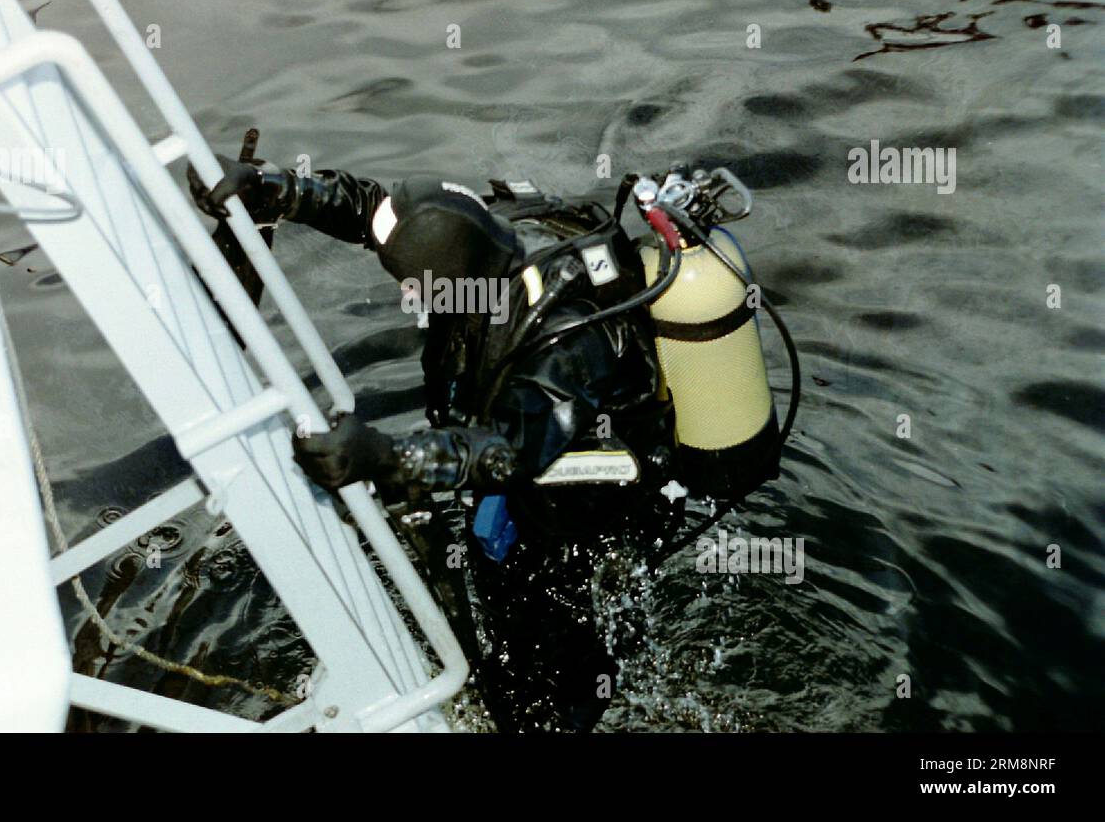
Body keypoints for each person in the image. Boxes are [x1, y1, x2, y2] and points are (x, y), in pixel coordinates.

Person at [190, 152, 778, 731]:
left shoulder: (564, 336)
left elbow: (508, 450)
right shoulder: (481, 238)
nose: (411, 300)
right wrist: (278, 191)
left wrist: (392, 458)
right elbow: (372, 212)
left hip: (598, 496)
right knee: (499, 590)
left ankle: (563, 712)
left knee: (543, 630)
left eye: (420, 291)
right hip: (544, 461)